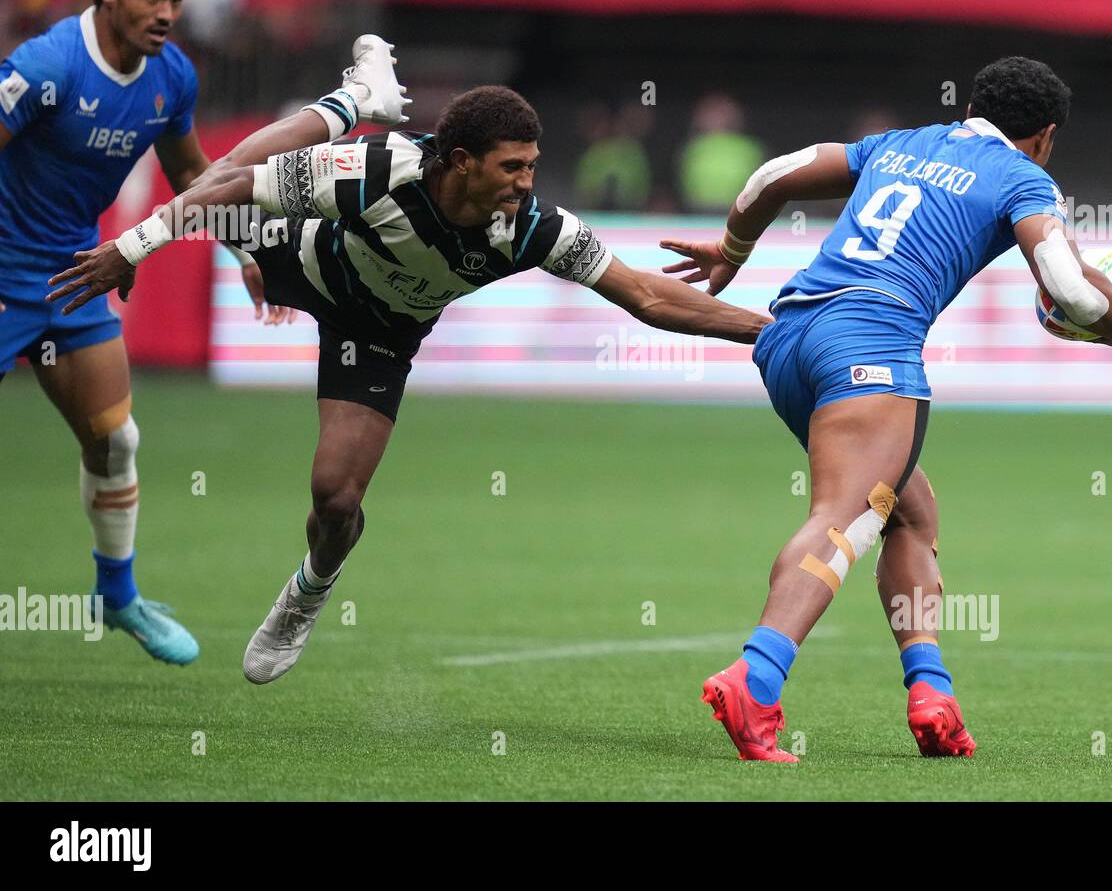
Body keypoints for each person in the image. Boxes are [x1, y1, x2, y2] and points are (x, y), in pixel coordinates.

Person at [47, 65, 769, 685]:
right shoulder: (372, 173)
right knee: (220, 187)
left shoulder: (532, 229)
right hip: (302, 254)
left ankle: (310, 588)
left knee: (335, 499)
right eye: (511, 166)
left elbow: (642, 292)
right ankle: (352, 102)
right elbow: (229, 184)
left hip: (380, 333)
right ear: (459, 160)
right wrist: (131, 249)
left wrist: (768, 330)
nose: (527, 181)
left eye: (531, 164)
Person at [661, 57, 1112, 760]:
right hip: (871, 343)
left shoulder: (897, 144)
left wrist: (731, 248)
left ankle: (933, 695)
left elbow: (772, 174)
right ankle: (755, 680)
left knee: (909, 511)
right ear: (1044, 135)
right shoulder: (1023, 178)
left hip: (790, 336)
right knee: (844, 519)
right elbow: (1072, 293)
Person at [0, 0, 293, 666]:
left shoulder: (173, 78)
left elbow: (194, 172)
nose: (167, 13)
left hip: (76, 278)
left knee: (116, 439)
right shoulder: (45, 67)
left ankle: (117, 595)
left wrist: (245, 247)